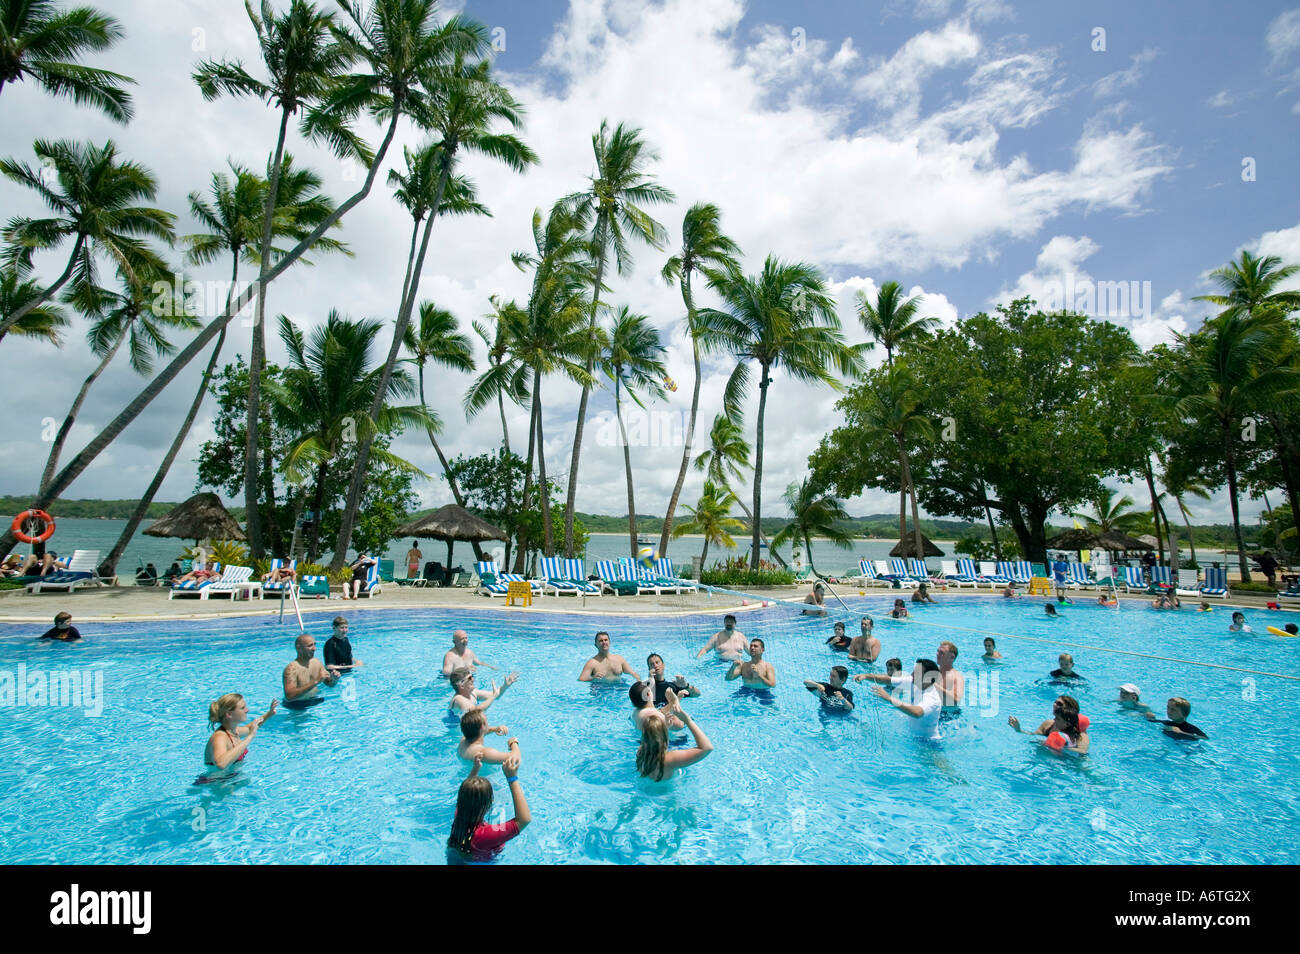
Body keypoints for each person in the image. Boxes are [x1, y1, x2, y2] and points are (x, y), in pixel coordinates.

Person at [447, 751, 530, 862]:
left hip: (457, 855)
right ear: (488, 804)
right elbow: (524, 820)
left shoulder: (460, 814)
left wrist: (475, 769)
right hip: (480, 859)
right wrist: (512, 778)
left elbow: (466, 795)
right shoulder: (486, 835)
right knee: (499, 813)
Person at [636, 687, 712, 782]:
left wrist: (665, 727)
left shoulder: (642, 752)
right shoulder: (671, 759)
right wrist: (687, 720)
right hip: (667, 796)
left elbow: (654, 737)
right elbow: (707, 748)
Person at [862, 658, 944, 740]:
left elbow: (917, 713)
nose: (912, 675)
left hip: (929, 743)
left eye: (917, 673)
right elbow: (888, 680)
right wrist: (865, 676)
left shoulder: (932, 698)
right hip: (915, 738)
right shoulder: (914, 682)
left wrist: (890, 699)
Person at [202, 693, 277, 776]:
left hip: (228, 779)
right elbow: (221, 764)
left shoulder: (233, 731)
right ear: (229, 714)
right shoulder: (220, 737)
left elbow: (250, 728)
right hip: (214, 782)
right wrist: (249, 737)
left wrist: (269, 714)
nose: (247, 710)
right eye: (242, 708)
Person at [1008, 694, 1090, 753]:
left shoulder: (1080, 733)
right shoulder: (1048, 724)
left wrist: (1058, 746)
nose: (1054, 705)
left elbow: (1082, 751)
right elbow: (1033, 736)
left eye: (1059, 704)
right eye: (1055, 702)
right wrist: (1019, 730)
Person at [281, 633, 340, 709]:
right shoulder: (291, 669)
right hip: (297, 706)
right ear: (298, 648)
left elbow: (330, 684)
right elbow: (289, 696)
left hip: (315, 700)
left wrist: (334, 679)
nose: (314, 648)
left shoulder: (317, 663)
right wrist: (316, 681)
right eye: (310, 646)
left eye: (314, 645)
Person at [448, 667, 518, 716]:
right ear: (462, 685)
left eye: (472, 676)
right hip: (457, 732)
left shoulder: (473, 693)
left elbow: (496, 695)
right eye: (469, 678)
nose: (473, 679)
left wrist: (505, 686)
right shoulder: (459, 699)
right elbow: (475, 712)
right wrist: (493, 696)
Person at [935, 641, 964, 707]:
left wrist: (934, 685)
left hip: (948, 714)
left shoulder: (957, 676)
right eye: (938, 651)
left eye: (941, 653)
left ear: (952, 657)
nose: (937, 654)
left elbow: (956, 699)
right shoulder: (932, 671)